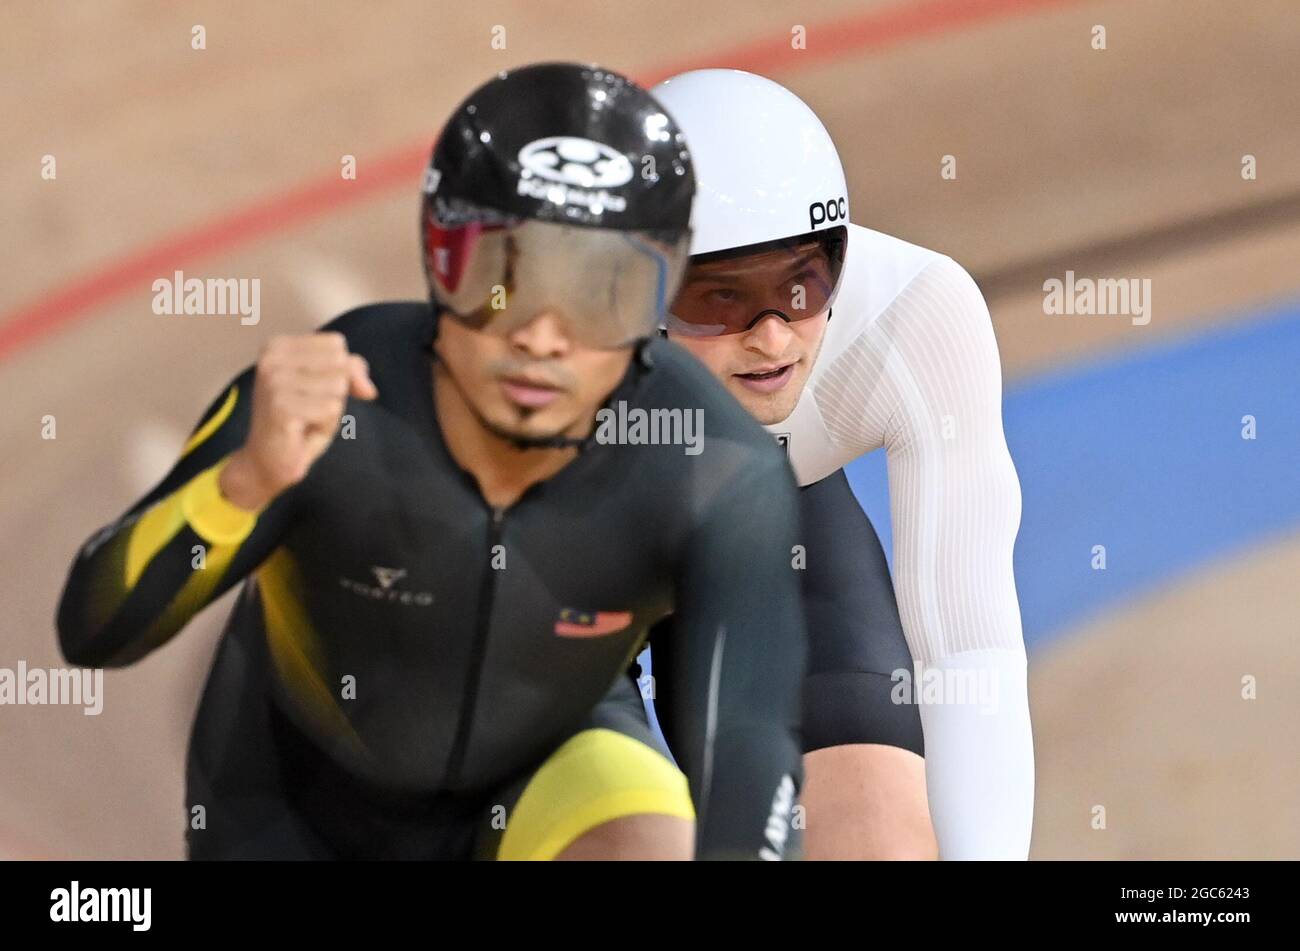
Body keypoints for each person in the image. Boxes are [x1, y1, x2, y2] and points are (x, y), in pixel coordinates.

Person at [55, 63, 807, 861]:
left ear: (656, 304)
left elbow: (749, 750)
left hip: (553, 773)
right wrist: (243, 484)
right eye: (500, 279)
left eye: (601, 292)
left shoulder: (715, 470)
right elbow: (93, 630)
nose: (541, 337)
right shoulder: (333, 400)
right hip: (294, 805)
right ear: (436, 261)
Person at [651, 69, 1034, 860]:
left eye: (802, 284)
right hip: (567, 589)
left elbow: (968, 652)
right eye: (718, 297)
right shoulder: (560, 360)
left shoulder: (914, 314)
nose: (771, 337)